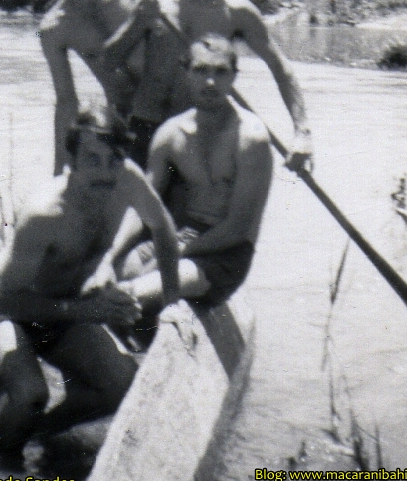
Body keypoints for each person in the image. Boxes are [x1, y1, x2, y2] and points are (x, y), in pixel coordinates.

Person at [0, 108, 181, 468]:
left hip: (64, 308)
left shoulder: (128, 180)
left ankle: (34, 436)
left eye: (114, 159)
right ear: (71, 160)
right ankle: (4, 469)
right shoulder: (45, 214)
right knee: (31, 394)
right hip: (6, 310)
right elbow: (9, 300)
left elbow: (162, 226)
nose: (105, 172)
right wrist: (87, 310)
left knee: (121, 385)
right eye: (92, 160)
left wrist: (173, 304)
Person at [103, 0, 313, 172]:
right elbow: (108, 61)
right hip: (146, 130)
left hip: (203, 135)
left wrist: (302, 133)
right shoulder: (153, 1)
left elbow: (281, 68)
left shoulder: (238, 11)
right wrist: (137, 23)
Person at [83, 34, 273, 312]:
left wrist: (175, 253)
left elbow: (238, 227)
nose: (210, 82)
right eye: (201, 70)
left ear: (234, 77)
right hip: (180, 239)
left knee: (131, 293)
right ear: (185, 73)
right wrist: (110, 257)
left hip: (225, 254)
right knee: (93, 278)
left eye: (221, 72)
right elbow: (143, 207)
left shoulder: (251, 137)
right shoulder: (170, 134)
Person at [39, 0, 154, 174]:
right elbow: (66, 101)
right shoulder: (55, 28)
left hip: (172, 105)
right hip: (125, 123)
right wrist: (60, 169)